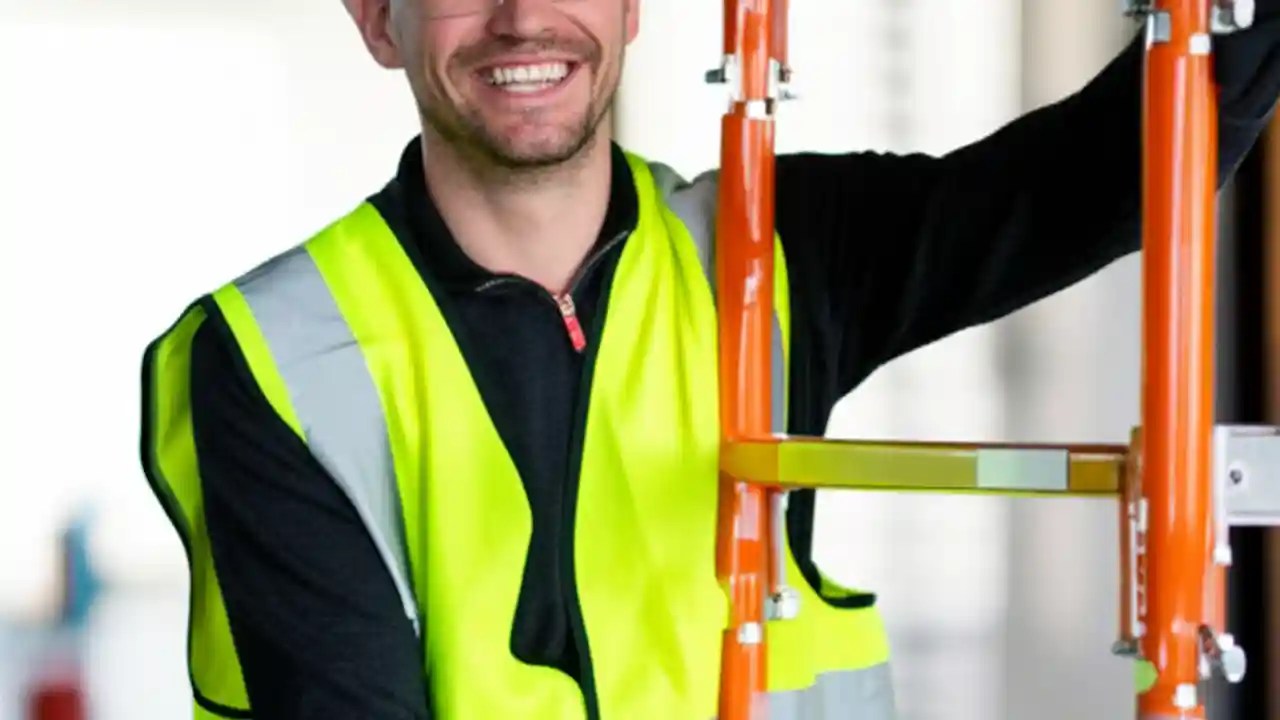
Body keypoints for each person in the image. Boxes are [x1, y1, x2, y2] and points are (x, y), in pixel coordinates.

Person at [140, 0, 1280, 718]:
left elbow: (1088, 180)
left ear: (630, 9)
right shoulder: (270, 354)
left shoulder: (765, 251)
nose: (522, 18)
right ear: (375, 19)